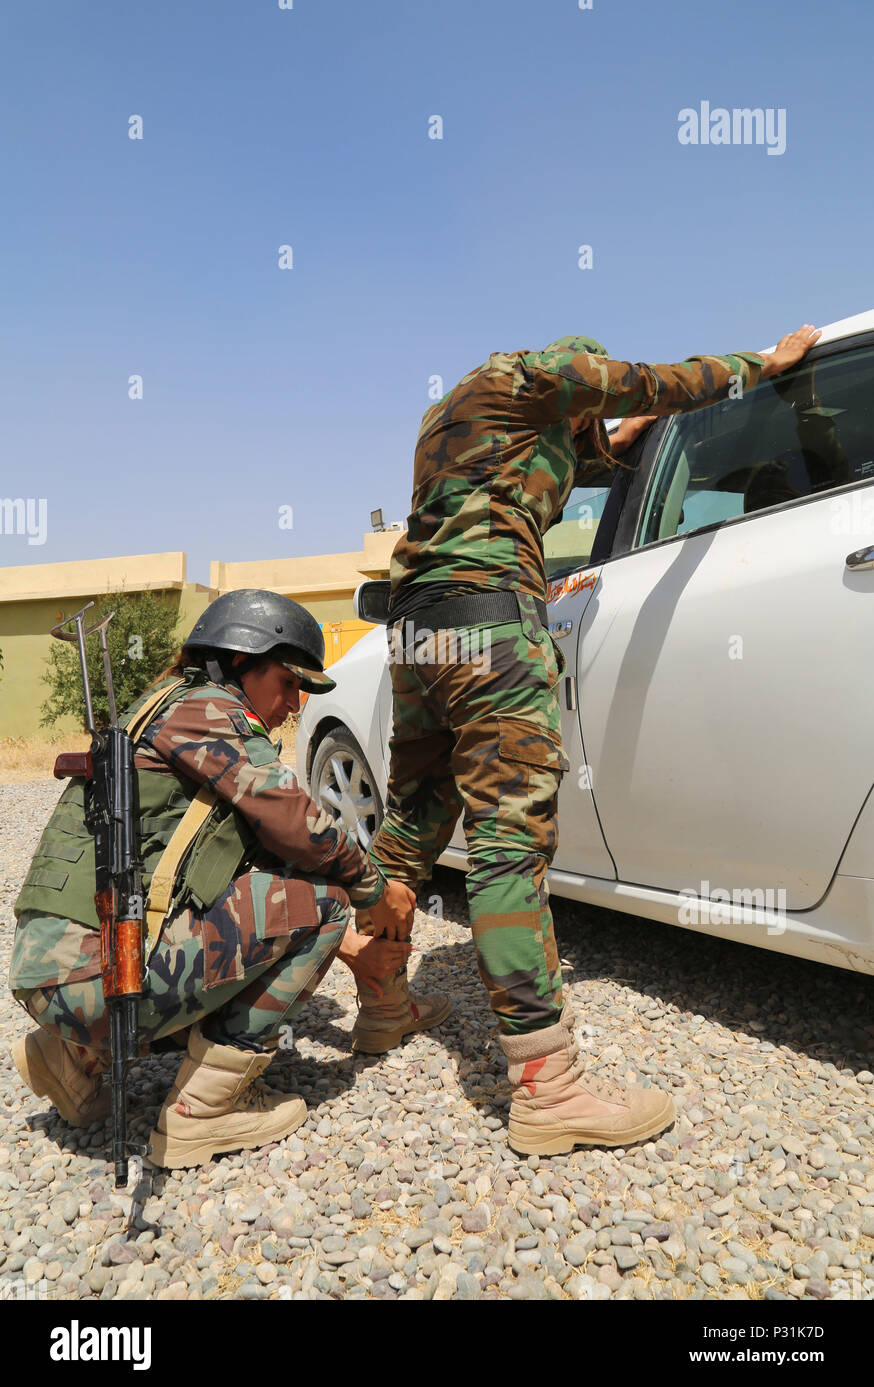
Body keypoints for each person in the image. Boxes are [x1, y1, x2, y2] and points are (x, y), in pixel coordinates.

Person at [361, 324, 822, 1156]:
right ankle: (548, 1087)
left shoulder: (452, 414)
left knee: (415, 819)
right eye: (584, 417)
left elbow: (592, 451)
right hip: (491, 621)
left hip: (420, 631)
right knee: (510, 839)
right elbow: (653, 381)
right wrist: (761, 366)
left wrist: (618, 442)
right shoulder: (537, 369)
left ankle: (383, 1000)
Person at [8, 589, 446, 1169]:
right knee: (327, 902)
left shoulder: (166, 705)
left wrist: (355, 955)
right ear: (242, 660)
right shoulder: (211, 710)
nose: (294, 704)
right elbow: (297, 821)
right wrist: (374, 888)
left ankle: (72, 1058)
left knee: (287, 888)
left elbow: (249, 868)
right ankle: (204, 1112)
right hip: (103, 973)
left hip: (57, 972)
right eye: (288, 682)